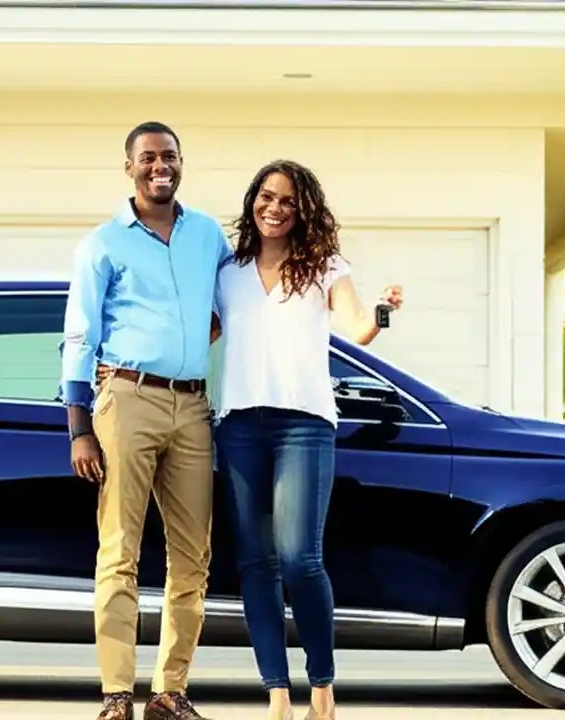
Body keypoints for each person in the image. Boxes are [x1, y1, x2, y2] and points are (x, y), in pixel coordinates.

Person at [211, 160, 403, 720]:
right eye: (265, 197)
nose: (273, 208)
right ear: (253, 201)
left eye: (287, 202)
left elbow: (360, 328)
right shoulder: (229, 271)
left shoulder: (323, 266)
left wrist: (386, 311)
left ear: (304, 211)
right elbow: (202, 332)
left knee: (299, 559)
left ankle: (321, 684)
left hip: (305, 424)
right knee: (254, 563)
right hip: (240, 424)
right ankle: (276, 694)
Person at [60, 120, 231, 720]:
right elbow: (78, 336)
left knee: (193, 556)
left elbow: (240, 298)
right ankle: (116, 694)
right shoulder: (103, 244)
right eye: (149, 158)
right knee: (120, 550)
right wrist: (79, 425)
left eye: (171, 157)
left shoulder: (208, 234)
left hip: (193, 405)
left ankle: (170, 691)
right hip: (126, 399)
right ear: (129, 167)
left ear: (182, 164)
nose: (162, 166)